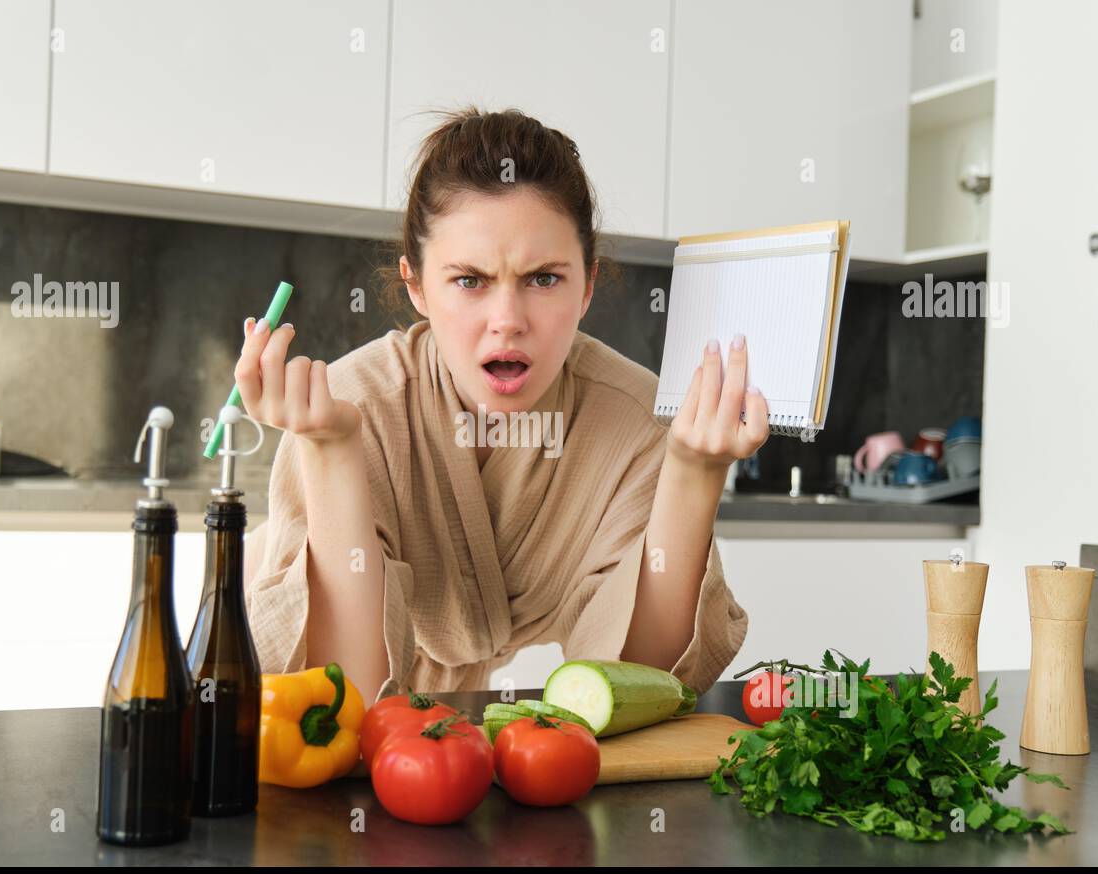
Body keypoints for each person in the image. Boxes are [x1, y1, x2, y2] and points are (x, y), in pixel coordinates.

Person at [238, 107, 768, 705]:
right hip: (243, 664)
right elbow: (338, 697)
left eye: (544, 279)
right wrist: (331, 451)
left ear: (588, 285)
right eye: (469, 280)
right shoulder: (352, 405)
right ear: (416, 286)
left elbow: (639, 684)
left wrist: (696, 475)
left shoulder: (634, 422)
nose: (508, 322)